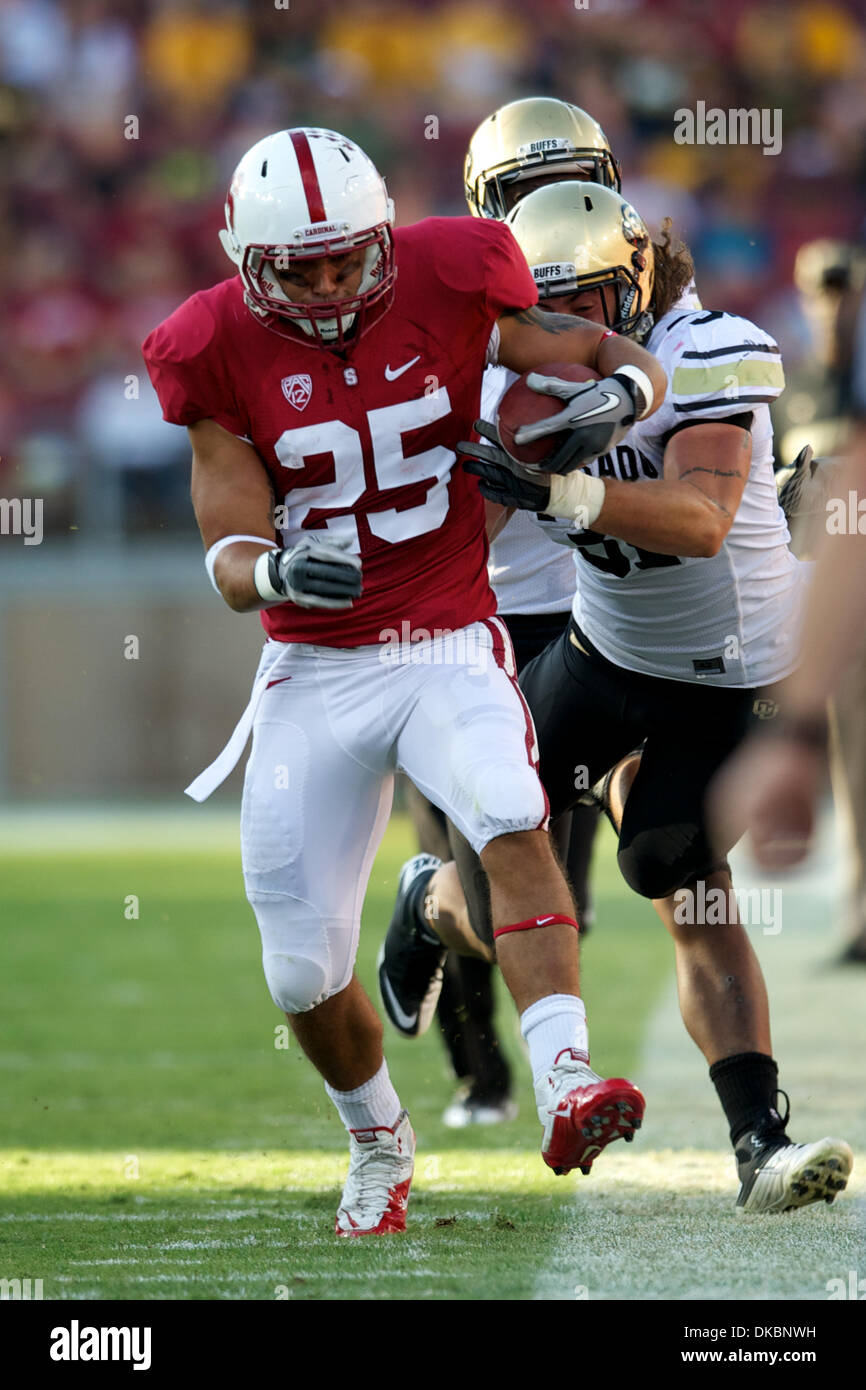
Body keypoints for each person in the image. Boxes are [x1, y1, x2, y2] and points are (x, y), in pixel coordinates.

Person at [141, 127, 668, 1236]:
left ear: (381, 237)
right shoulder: (209, 343)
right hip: (315, 663)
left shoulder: (450, 270)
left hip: (443, 633)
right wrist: (277, 565)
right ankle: (378, 1137)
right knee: (297, 968)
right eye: (302, 268)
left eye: (346, 260)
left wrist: (619, 397)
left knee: (512, 811)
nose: (330, 284)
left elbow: (608, 357)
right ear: (249, 259)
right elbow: (228, 552)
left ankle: (568, 1080)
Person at [380, 180, 854, 1213]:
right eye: (545, 312)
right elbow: (461, 533)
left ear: (633, 282)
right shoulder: (507, 370)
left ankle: (756, 1143)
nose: (566, 332)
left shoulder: (704, 346)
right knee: (499, 861)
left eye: (587, 307)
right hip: (597, 656)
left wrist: (561, 489)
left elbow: (696, 521)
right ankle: (424, 901)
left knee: (676, 875)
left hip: (732, 675)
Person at [400, 98, 619, 1129]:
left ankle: (435, 921)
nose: (551, 211)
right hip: (456, 621)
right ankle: (478, 1074)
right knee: (463, 850)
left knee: (541, 882)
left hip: (579, 620)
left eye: (569, 180)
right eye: (527, 189)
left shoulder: (631, 291)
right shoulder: (450, 312)